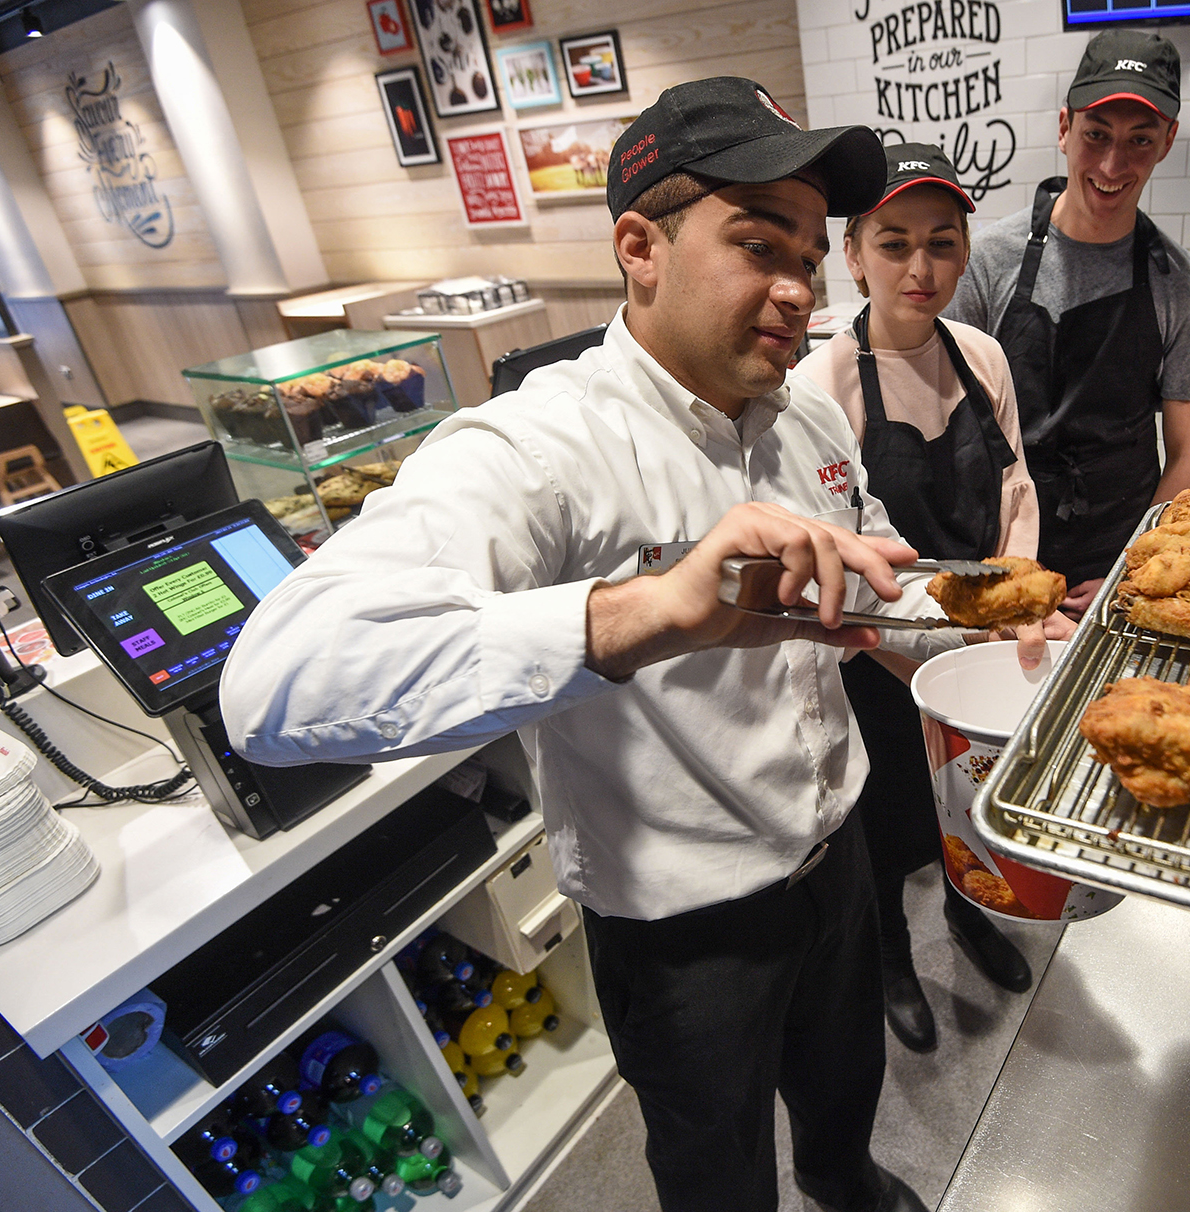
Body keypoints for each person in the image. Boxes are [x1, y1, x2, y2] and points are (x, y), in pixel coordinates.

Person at [220, 77, 941, 1212]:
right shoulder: (537, 443)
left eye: (811, 253)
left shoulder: (803, 412)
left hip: (837, 853)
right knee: (717, 1170)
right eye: (758, 244)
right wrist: (640, 611)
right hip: (684, 923)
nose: (800, 289)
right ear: (639, 246)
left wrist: (967, 630)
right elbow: (272, 683)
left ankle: (845, 1182)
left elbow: (875, 565)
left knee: (844, 1083)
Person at [794, 144, 1074, 1053]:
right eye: (895, 243)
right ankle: (887, 960)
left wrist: (1016, 605)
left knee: (965, 798)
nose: (921, 269)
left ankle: (967, 915)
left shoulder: (979, 354)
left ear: (964, 252)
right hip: (877, 656)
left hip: (978, 642)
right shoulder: (821, 386)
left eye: (942, 244)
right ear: (854, 254)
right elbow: (836, 563)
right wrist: (918, 647)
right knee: (884, 822)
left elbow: (1016, 494)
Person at [947, 29, 1190, 617]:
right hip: (998, 545)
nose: (1111, 164)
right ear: (1063, 128)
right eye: (1095, 135)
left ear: (1168, 141)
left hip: (1114, 557)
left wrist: (1135, 569)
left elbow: (1186, 455)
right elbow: (952, 424)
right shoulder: (987, 260)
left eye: (1139, 141)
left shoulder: (1182, 285)